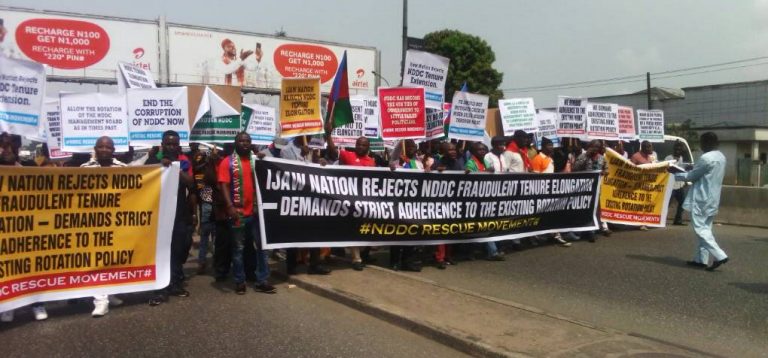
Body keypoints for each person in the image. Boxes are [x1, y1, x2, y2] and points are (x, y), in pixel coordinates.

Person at [218, 132, 276, 294]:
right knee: (238, 249)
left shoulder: (257, 160)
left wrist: (265, 160)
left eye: (247, 141)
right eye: (241, 141)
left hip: (257, 212)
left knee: (262, 247)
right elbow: (223, 185)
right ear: (236, 143)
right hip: (238, 212)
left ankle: (262, 280)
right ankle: (240, 281)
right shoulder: (227, 162)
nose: (245, 143)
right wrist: (229, 206)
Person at [145, 131, 198, 305]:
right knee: (161, 251)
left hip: (179, 214)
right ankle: (160, 289)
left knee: (178, 249)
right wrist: (159, 164)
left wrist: (173, 169)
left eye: (175, 144)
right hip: (158, 215)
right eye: (168, 144)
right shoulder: (153, 160)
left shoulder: (183, 161)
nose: (171, 147)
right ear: (162, 144)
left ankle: (175, 283)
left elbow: (190, 182)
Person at [0, 133, 48, 322]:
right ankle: (7, 306)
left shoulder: (29, 168)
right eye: (3, 145)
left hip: (27, 229)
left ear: (18, 147)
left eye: (10, 145)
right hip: (5, 230)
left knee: (31, 266)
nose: (7, 149)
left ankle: (37, 304)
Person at [79, 136, 127, 317]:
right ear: (95, 149)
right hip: (94, 223)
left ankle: (110, 293)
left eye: (108, 147)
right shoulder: (85, 169)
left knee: (112, 259)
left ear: (113, 149)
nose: (105, 150)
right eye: (101, 147)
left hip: (116, 222)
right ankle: (100, 300)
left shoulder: (123, 168)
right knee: (97, 260)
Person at [675, 132, 729, 271]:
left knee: (700, 229)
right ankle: (700, 259)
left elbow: (692, 176)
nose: (700, 145)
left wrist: (674, 174)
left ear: (706, 143)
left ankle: (719, 255)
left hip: (701, 197)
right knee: (706, 229)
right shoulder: (721, 157)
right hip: (713, 197)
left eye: (702, 142)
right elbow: (702, 173)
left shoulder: (706, 158)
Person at [326, 127, 376, 271]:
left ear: (368, 147)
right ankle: (356, 258)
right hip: (350, 201)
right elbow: (333, 151)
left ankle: (363, 253)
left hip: (366, 201)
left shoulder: (371, 162)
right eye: (358, 144)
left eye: (363, 145)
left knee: (366, 229)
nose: (360, 146)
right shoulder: (348, 156)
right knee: (354, 228)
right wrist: (329, 135)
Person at [280, 136, 332, 275]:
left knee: (315, 231)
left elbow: (314, 170)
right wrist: (302, 156)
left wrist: (318, 161)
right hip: (295, 197)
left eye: (309, 135)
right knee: (294, 232)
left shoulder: (313, 149)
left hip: (311, 198)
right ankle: (291, 265)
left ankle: (314, 264)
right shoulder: (286, 150)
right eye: (305, 135)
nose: (307, 137)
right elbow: (287, 170)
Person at [465, 142, 505, 261]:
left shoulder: (485, 162)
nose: (482, 152)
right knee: (483, 226)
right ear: (473, 152)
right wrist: (486, 172)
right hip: (474, 200)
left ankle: (476, 251)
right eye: (479, 150)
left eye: (483, 149)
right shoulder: (471, 163)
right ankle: (492, 251)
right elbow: (470, 178)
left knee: (483, 226)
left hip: (486, 199)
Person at [532, 138, 571, 247]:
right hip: (541, 192)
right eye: (549, 145)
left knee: (552, 214)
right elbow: (534, 177)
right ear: (543, 147)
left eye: (552, 145)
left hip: (551, 191)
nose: (551, 147)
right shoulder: (537, 159)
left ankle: (555, 235)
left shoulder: (550, 158)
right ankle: (536, 237)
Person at [571, 140, 607, 243]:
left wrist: (604, 172)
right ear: (589, 146)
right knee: (582, 210)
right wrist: (586, 156)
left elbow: (606, 169)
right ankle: (581, 231)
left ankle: (591, 232)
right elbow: (575, 169)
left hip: (595, 189)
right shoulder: (582, 156)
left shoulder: (601, 158)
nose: (596, 149)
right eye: (594, 146)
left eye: (598, 147)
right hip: (583, 189)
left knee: (594, 210)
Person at [665, 141, 690, 225]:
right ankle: (662, 219)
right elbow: (665, 169)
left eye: (679, 149)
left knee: (682, 202)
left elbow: (682, 170)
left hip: (679, 184)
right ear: (674, 149)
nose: (677, 151)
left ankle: (678, 220)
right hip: (671, 185)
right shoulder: (669, 158)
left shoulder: (681, 158)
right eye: (676, 149)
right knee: (667, 203)